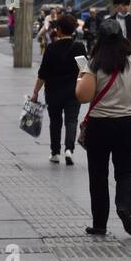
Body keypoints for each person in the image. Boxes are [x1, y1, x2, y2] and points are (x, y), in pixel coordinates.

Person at [75, 17, 131, 236]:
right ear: (121, 36)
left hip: (99, 126)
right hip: (127, 125)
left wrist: (80, 78)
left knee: (98, 175)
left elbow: (83, 96)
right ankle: (124, 207)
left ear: (99, 37)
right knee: (126, 172)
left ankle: (100, 224)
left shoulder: (95, 63)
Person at [31, 12, 85, 165]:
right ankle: (69, 149)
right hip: (73, 91)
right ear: (73, 30)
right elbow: (84, 70)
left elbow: (43, 73)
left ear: (59, 30)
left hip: (53, 91)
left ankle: (55, 152)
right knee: (71, 120)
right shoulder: (79, 47)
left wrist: (35, 92)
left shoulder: (51, 48)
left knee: (55, 121)